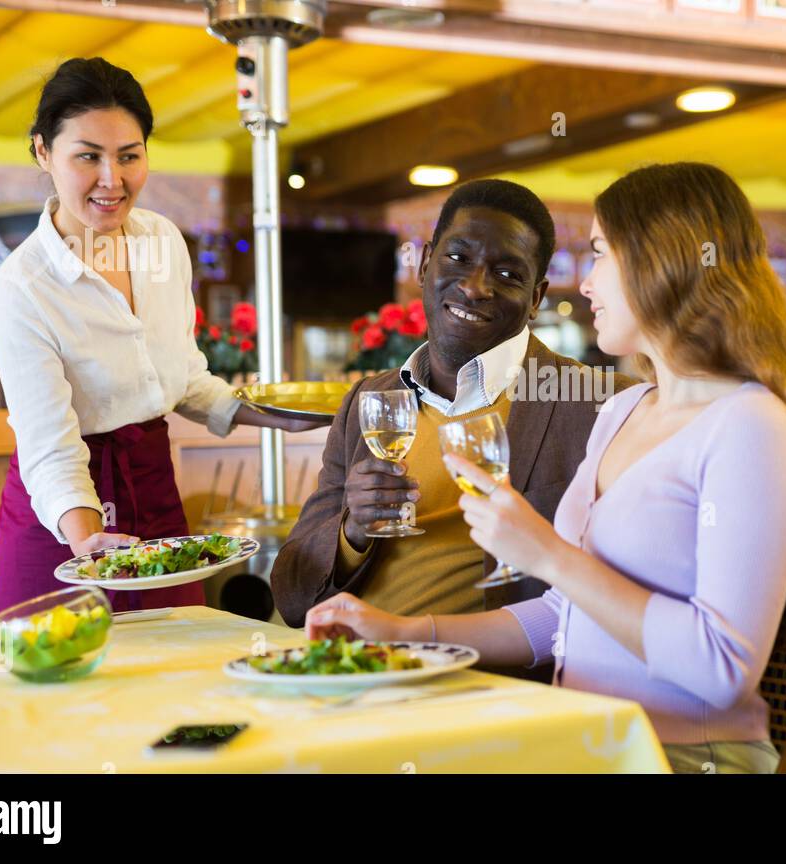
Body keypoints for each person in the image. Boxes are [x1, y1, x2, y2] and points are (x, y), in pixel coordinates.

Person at [303, 163, 786, 773]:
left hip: (681, 755)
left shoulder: (749, 425)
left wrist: (546, 554)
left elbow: (722, 670)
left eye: (600, 254)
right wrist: (401, 633)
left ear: (660, 261)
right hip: (583, 740)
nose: (584, 284)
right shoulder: (624, 409)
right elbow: (566, 615)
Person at [0, 57, 321, 614]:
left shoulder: (162, 241)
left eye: (129, 156)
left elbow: (183, 377)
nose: (111, 180)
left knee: (177, 672)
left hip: (153, 489)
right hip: (61, 517)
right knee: (64, 689)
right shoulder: (22, 287)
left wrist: (273, 413)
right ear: (43, 152)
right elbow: (49, 447)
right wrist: (86, 541)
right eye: (87, 156)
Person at [270, 180, 635, 637]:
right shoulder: (367, 401)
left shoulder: (603, 403)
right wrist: (353, 533)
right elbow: (292, 597)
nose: (475, 287)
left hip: (485, 682)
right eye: (458, 259)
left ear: (536, 298)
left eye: (506, 275)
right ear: (425, 264)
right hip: (357, 670)